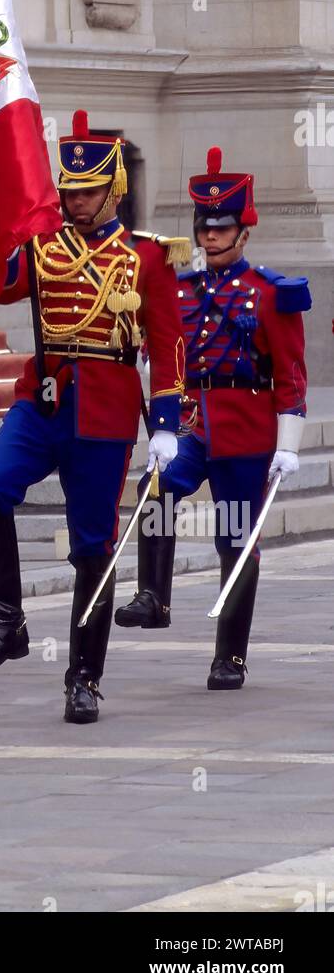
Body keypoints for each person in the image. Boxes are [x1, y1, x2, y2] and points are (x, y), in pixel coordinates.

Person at [0, 111, 188, 724]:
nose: (77, 201)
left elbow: (166, 342)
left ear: (113, 190)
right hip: (44, 399)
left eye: (88, 191)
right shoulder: (42, 244)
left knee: (93, 547)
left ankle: (84, 676)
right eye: (69, 191)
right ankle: (8, 620)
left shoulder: (146, 257)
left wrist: (165, 423)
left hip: (105, 411)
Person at [115, 146, 310, 690]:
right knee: (157, 490)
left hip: (247, 431)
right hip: (193, 423)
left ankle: (231, 657)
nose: (210, 237)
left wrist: (288, 439)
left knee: (235, 539)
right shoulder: (179, 292)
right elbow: (160, 347)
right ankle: (154, 596)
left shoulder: (271, 294)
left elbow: (290, 374)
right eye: (204, 227)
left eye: (222, 229)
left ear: (243, 233)